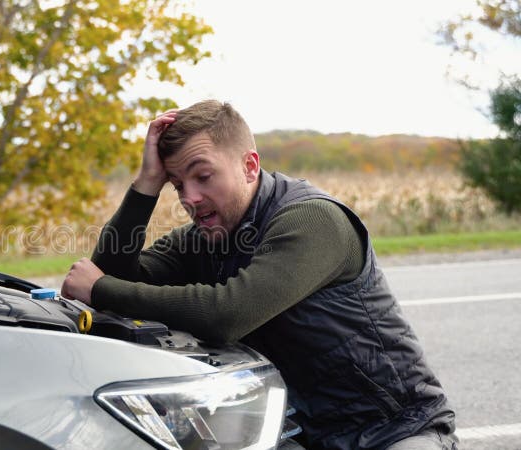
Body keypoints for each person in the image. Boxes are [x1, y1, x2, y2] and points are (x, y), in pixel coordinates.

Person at [60, 100, 457, 449]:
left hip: (394, 430)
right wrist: (147, 184)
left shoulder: (313, 220)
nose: (189, 198)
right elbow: (112, 273)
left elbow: (227, 314)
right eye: (177, 185)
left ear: (249, 166)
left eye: (203, 176)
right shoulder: (206, 235)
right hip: (301, 434)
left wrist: (102, 290)